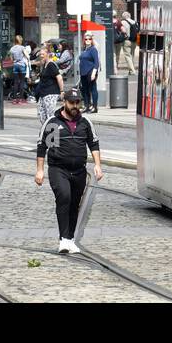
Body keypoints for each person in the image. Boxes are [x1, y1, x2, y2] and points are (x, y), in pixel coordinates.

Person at [34, 88, 103, 254]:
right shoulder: (53, 123)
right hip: (59, 169)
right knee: (64, 197)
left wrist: (98, 165)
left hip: (79, 171)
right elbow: (43, 147)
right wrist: (40, 170)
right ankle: (63, 239)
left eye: (77, 102)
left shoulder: (84, 123)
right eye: (72, 102)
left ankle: (70, 238)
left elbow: (93, 144)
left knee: (74, 203)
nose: (75, 106)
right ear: (64, 102)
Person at [33, 43, 65, 125]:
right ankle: (47, 131)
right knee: (41, 115)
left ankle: (53, 132)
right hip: (43, 94)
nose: (41, 56)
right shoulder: (45, 64)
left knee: (50, 116)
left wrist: (62, 91)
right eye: (41, 54)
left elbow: (59, 78)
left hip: (51, 93)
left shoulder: (51, 65)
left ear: (48, 54)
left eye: (43, 54)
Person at [79, 34, 102, 113]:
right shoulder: (84, 49)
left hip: (90, 72)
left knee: (93, 89)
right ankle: (87, 105)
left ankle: (95, 107)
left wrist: (94, 73)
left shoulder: (93, 49)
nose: (87, 40)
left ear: (92, 40)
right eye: (86, 39)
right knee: (85, 90)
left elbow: (96, 62)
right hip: (83, 73)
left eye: (89, 39)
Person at [9, 35, 30, 104]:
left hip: (15, 65)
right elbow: (27, 56)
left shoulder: (12, 48)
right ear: (20, 40)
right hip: (22, 65)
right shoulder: (22, 48)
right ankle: (21, 99)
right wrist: (27, 59)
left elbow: (11, 59)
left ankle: (14, 99)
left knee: (15, 82)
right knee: (22, 82)